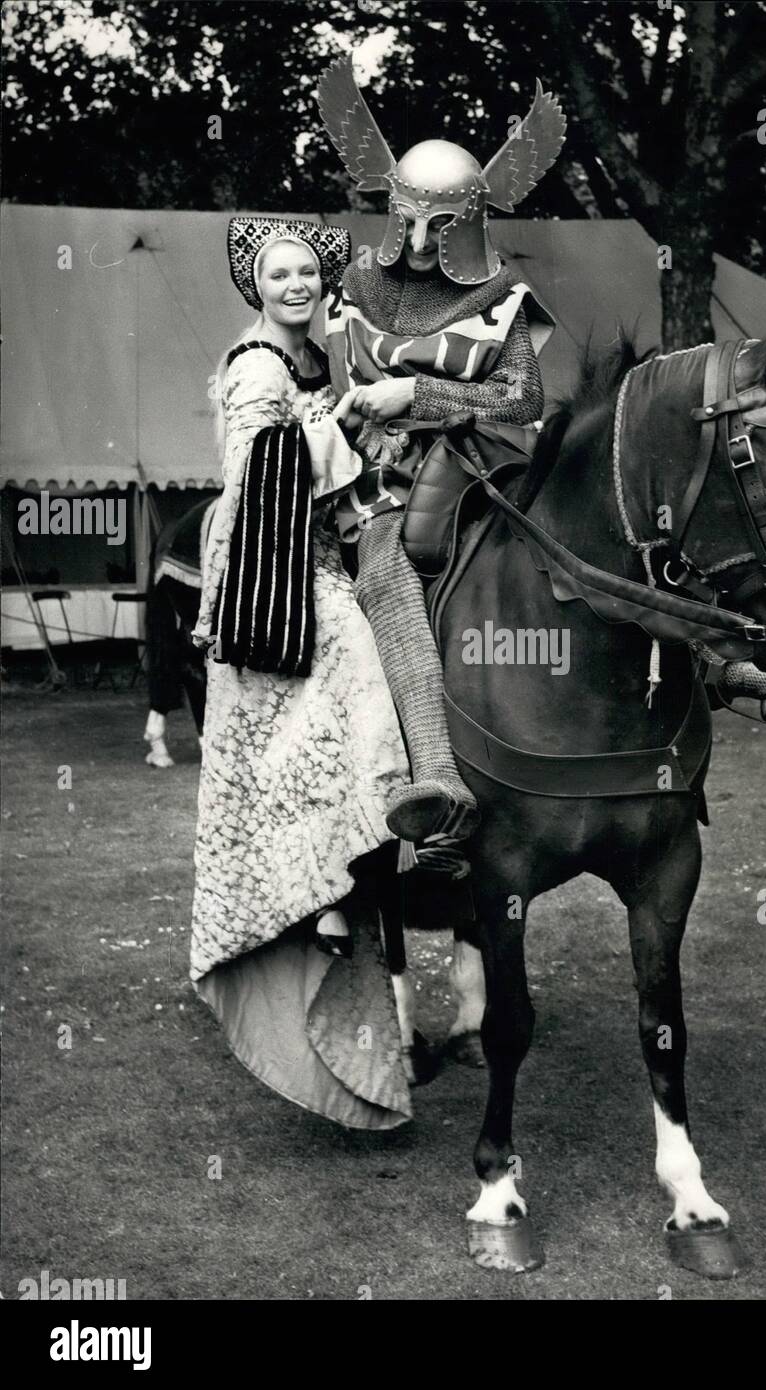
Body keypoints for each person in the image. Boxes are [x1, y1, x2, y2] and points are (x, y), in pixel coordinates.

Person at [190, 215, 414, 1129]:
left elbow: (335, 475)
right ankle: (329, 882)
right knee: (362, 677)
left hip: (322, 556)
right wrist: (353, 418)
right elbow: (257, 471)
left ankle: (350, 882)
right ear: (257, 288)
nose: (292, 286)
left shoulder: (318, 363)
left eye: (305, 274)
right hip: (276, 585)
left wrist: (372, 439)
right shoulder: (257, 367)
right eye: (276, 274)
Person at [316, 57, 565, 844]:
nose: (422, 242)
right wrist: (373, 408)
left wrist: (420, 396)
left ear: (473, 219)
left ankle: (716, 667)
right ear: (391, 210)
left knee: (596, 539)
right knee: (389, 571)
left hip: (486, 471)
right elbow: (327, 392)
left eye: (443, 224)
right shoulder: (353, 286)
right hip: (379, 483)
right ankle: (435, 774)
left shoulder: (503, 298)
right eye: (410, 220)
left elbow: (521, 401)